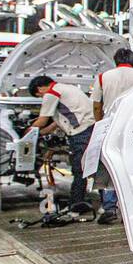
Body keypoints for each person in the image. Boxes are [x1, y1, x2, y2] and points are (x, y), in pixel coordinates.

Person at [27, 75, 95, 214]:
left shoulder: (51, 93)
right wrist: (40, 134)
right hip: (89, 128)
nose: (41, 97)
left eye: (39, 95)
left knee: (79, 169)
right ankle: (78, 201)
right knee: (84, 167)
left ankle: (76, 205)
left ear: (40, 88)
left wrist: (27, 132)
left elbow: (42, 120)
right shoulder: (67, 88)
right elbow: (55, 123)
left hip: (81, 132)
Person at [90, 48, 133, 225]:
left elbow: (97, 105)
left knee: (109, 165)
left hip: (110, 125)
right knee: (132, 166)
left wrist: (99, 123)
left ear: (115, 60)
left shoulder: (104, 77)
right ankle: (130, 209)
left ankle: (110, 207)